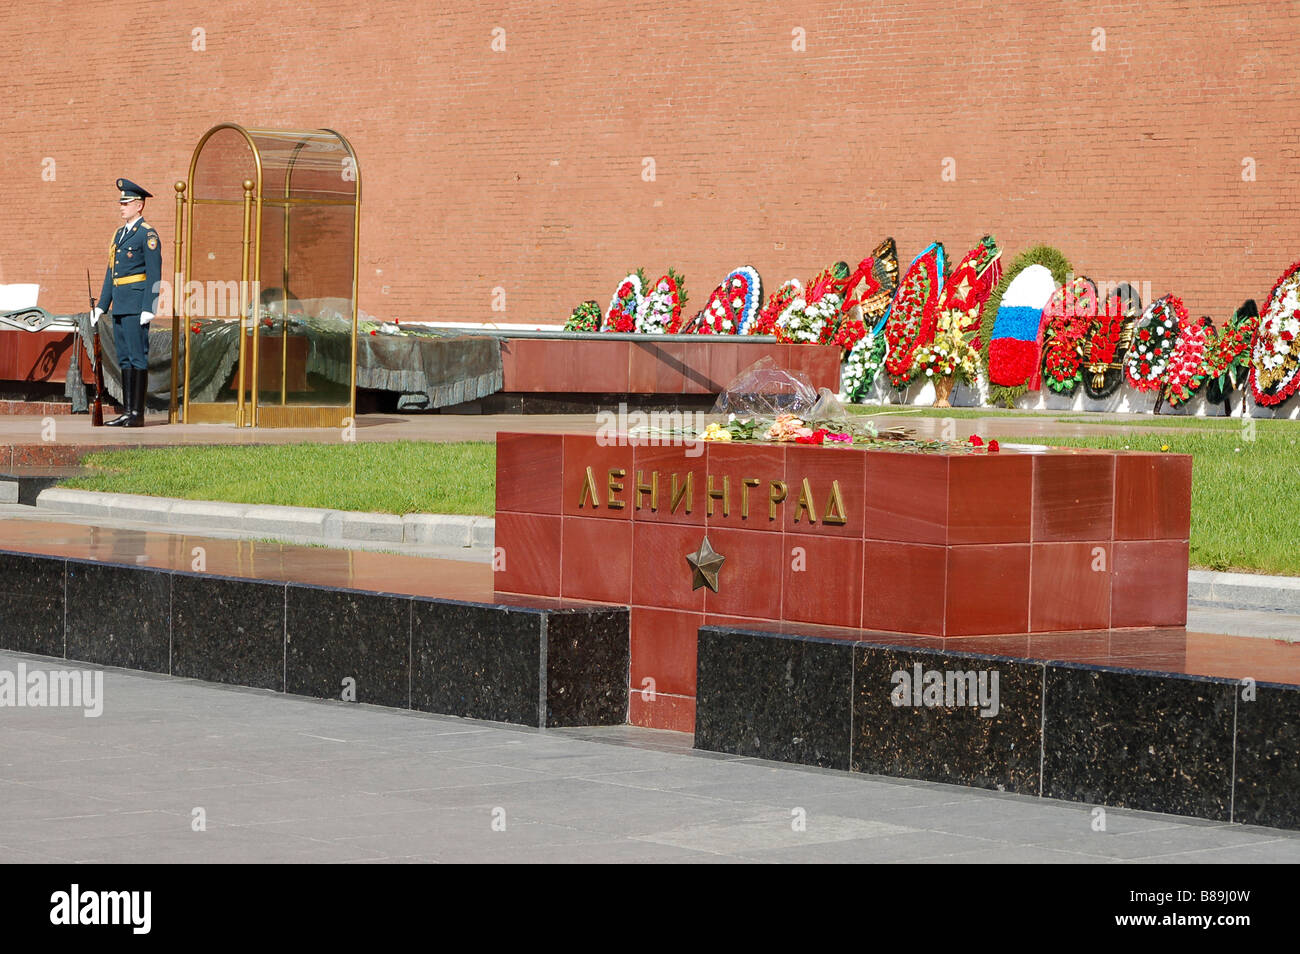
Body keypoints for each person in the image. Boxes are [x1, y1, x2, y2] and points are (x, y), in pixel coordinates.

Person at [91, 178, 161, 427]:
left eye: (127, 202)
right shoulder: (119, 234)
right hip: (120, 305)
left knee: (137, 358)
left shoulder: (147, 234)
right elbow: (112, 273)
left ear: (139, 206)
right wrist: (102, 305)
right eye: (121, 202)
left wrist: (149, 308)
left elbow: (154, 274)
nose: (121, 206)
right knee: (124, 359)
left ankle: (137, 415)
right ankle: (127, 411)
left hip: (136, 305)